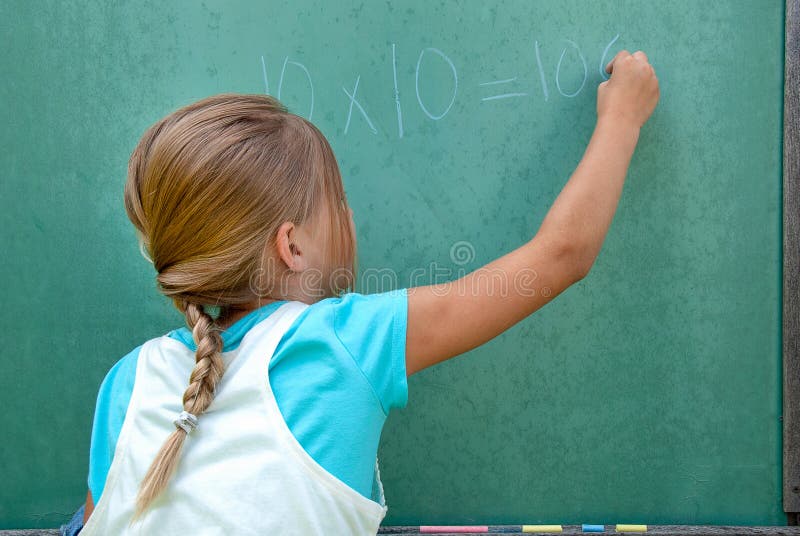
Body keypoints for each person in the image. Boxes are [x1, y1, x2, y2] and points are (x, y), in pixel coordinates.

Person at [63, 49, 658, 535]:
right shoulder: (344, 340)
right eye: (338, 203)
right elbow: (560, 257)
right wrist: (621, 118)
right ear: (292, 246)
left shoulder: (130, 379)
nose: (351, 216)